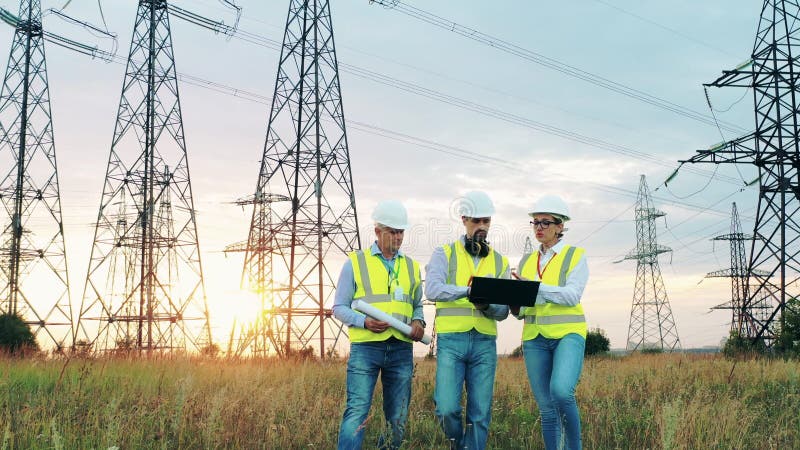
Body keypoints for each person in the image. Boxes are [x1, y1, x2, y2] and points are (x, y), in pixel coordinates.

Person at [332, 200, 426, 450]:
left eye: (401, 232)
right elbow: (338, 308)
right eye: (392, 231)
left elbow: (417, 304)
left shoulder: (412, 267)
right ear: (377, 231)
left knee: (397, 418)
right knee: (357, 413)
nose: (398, 237)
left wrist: (418, 321)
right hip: (366, 348)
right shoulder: (355, 262)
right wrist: (364, 321)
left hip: (401, 349)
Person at [425, 190, 510, 450]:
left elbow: (504, 311)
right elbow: (432, 290)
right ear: (464, 220)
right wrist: (469, 291)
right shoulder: (445, 253)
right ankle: (457, 446)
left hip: (485, 342)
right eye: (476, 221)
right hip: (452, 341)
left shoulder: (499, 261)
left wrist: (487, 305)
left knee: (480, 414)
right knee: (447, 408)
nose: (482, 226)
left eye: (486, 221)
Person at [510, 194, 589, 450]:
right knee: (546, 408)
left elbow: (571, 295)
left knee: (561, 392)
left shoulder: (575, 256)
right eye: (535, 223)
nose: (539, 228)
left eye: (546, 222)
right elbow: (522, 309)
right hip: (535, 338)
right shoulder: (526, 261)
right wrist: (512, 302)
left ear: (560, 226)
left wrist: (535, 288)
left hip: (568, 334)